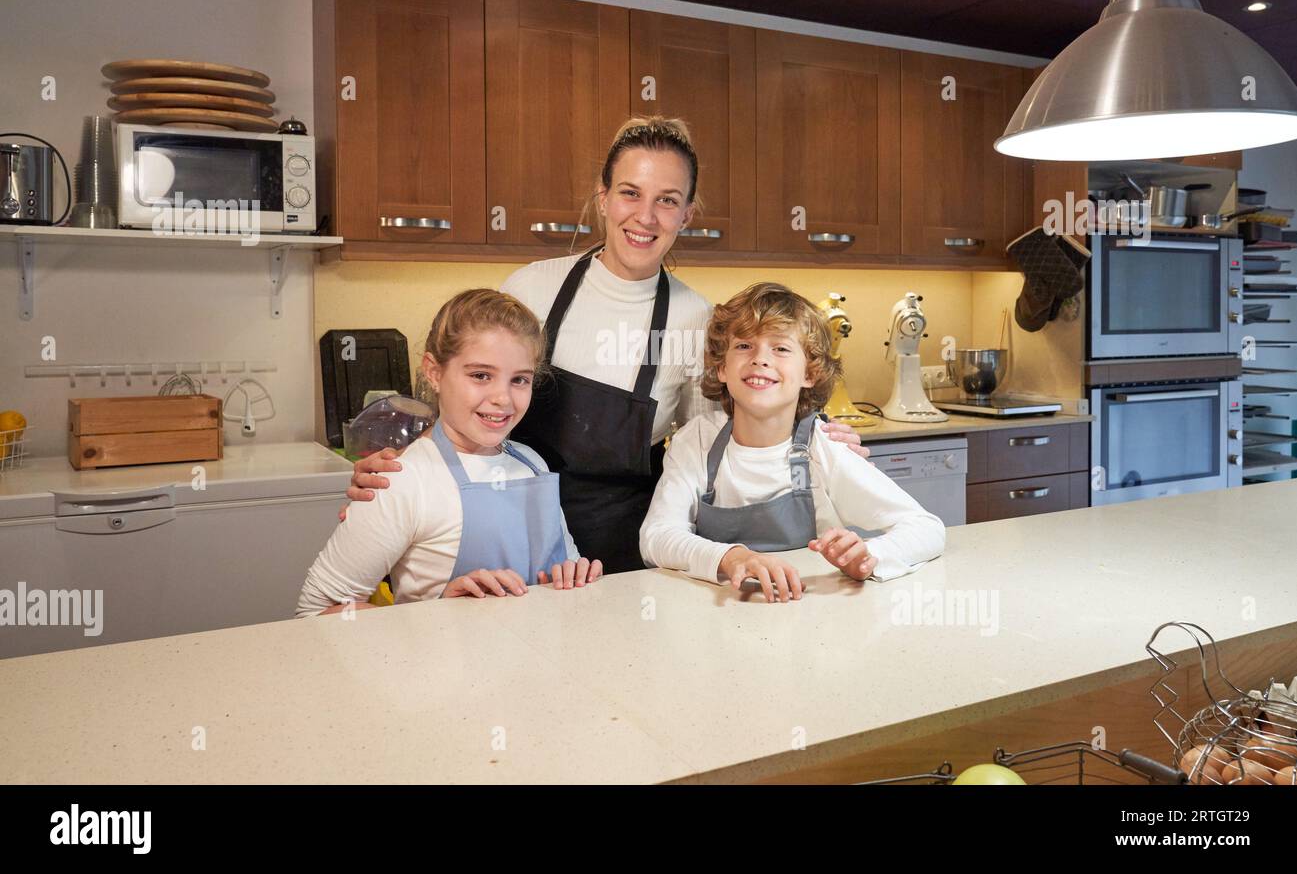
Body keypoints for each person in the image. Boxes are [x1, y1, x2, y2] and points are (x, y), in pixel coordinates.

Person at [346, 116, 871, 574]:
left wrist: (810, 438)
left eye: (668, 201)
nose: (645, 217)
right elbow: (465, 398)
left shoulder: (697, 319)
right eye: (629, 193)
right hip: (510, 528)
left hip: (622, 548)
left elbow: (722, 436)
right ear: (603, 198)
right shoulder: (532, 287)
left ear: (687, 214)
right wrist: (407, 465)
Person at [297, 289, 600, 617]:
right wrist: (437, 615)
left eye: (519, 380)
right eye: (480, 375)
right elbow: (314, 611)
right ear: (434, 371)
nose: (503, 398)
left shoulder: (532, 464)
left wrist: (573, 576)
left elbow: (563, 569)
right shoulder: (403, 480)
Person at [640, 283, 945, 603]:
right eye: (744, 346)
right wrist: (733, 558)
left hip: (810, 615)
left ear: (809, 373)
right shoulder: (697, 442)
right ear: (722, 368)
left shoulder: (823, 447)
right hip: (718, 619)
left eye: (781, 348)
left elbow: (926, 528)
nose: (760, 359)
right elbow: (657, 536)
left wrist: (868, 555)